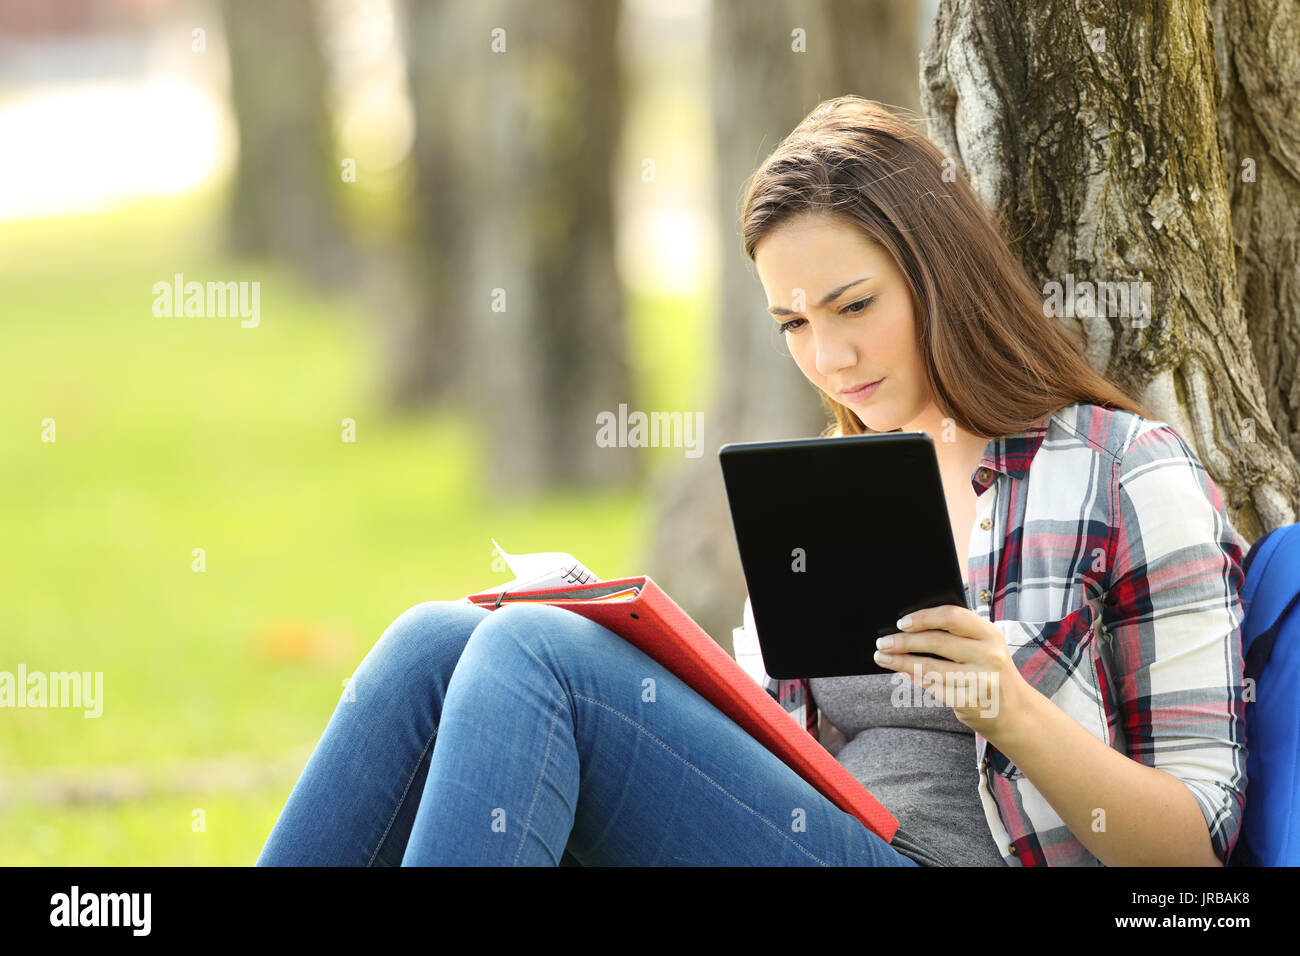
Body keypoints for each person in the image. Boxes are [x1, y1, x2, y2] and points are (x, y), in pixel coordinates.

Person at [255, 95, 1247, 867]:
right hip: (814, 826)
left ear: (943, 272)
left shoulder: (1124, 473)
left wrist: (1009, 706)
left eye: (853, 305)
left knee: (534, 654)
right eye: (794, 324)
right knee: (438, 638)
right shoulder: (842, 488)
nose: (829, 356)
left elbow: (1193, 855)